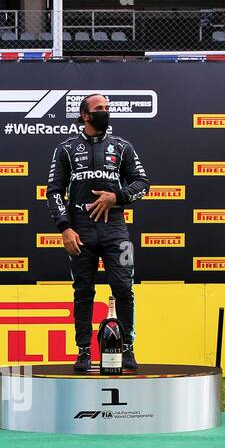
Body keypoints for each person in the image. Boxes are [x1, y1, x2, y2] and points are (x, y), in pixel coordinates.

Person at [46, 94, 150, 373]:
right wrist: (65, 228)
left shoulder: (123, 147)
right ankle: (83, 352)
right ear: (85, 116)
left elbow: (142, 183)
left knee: (123, 288)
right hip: (80, 228)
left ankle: (127, 348)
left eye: (108, 108)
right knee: (83, 291)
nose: (106, 112)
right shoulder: (65, 149)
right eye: (99, 109)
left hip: (116, 228)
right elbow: (54, 192)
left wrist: (115, 197)